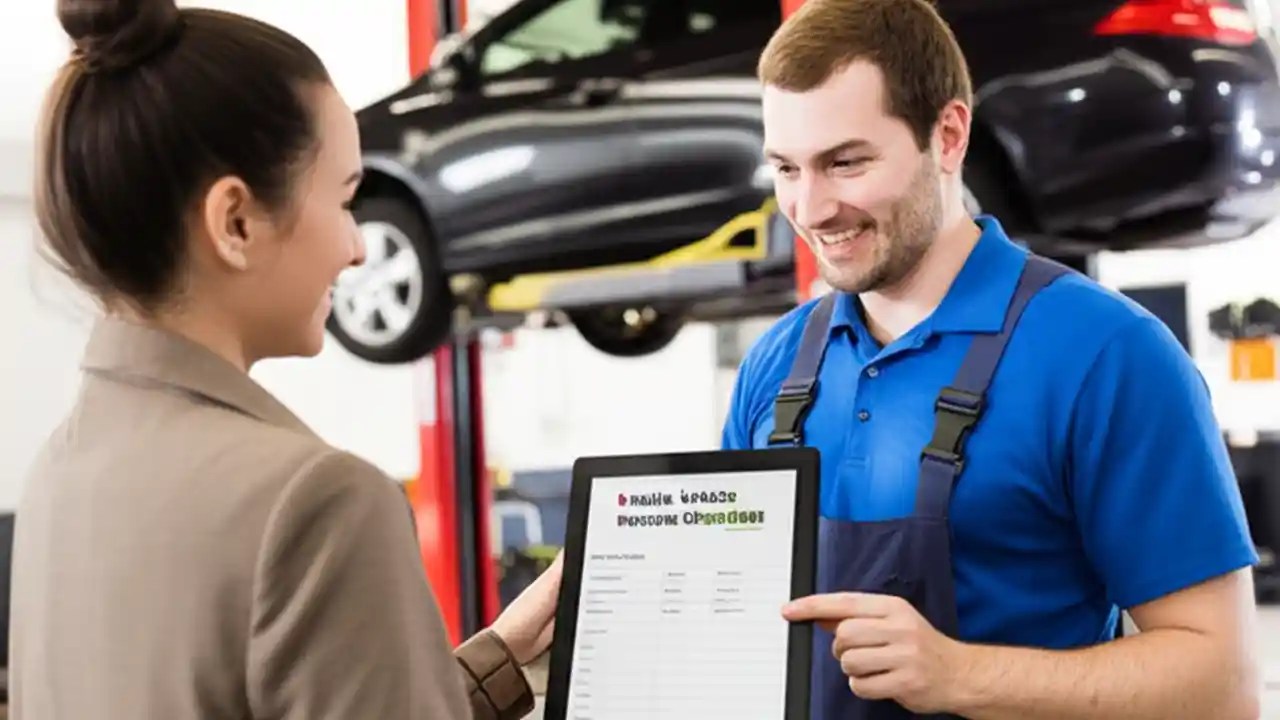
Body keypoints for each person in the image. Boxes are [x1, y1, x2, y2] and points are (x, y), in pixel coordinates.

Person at [10, 1, 561, 718]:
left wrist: (497, 661)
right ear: (236, 222)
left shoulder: (60, 471)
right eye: (344, 200)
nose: (359, 248)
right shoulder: (317, 501)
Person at [721, 0, 1263, 718]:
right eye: (786, 168)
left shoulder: (1105, 355)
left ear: (947, 137)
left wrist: (961, 676)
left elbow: (1222, 685)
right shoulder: (777, 365)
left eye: (845, 163)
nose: (812, 207)